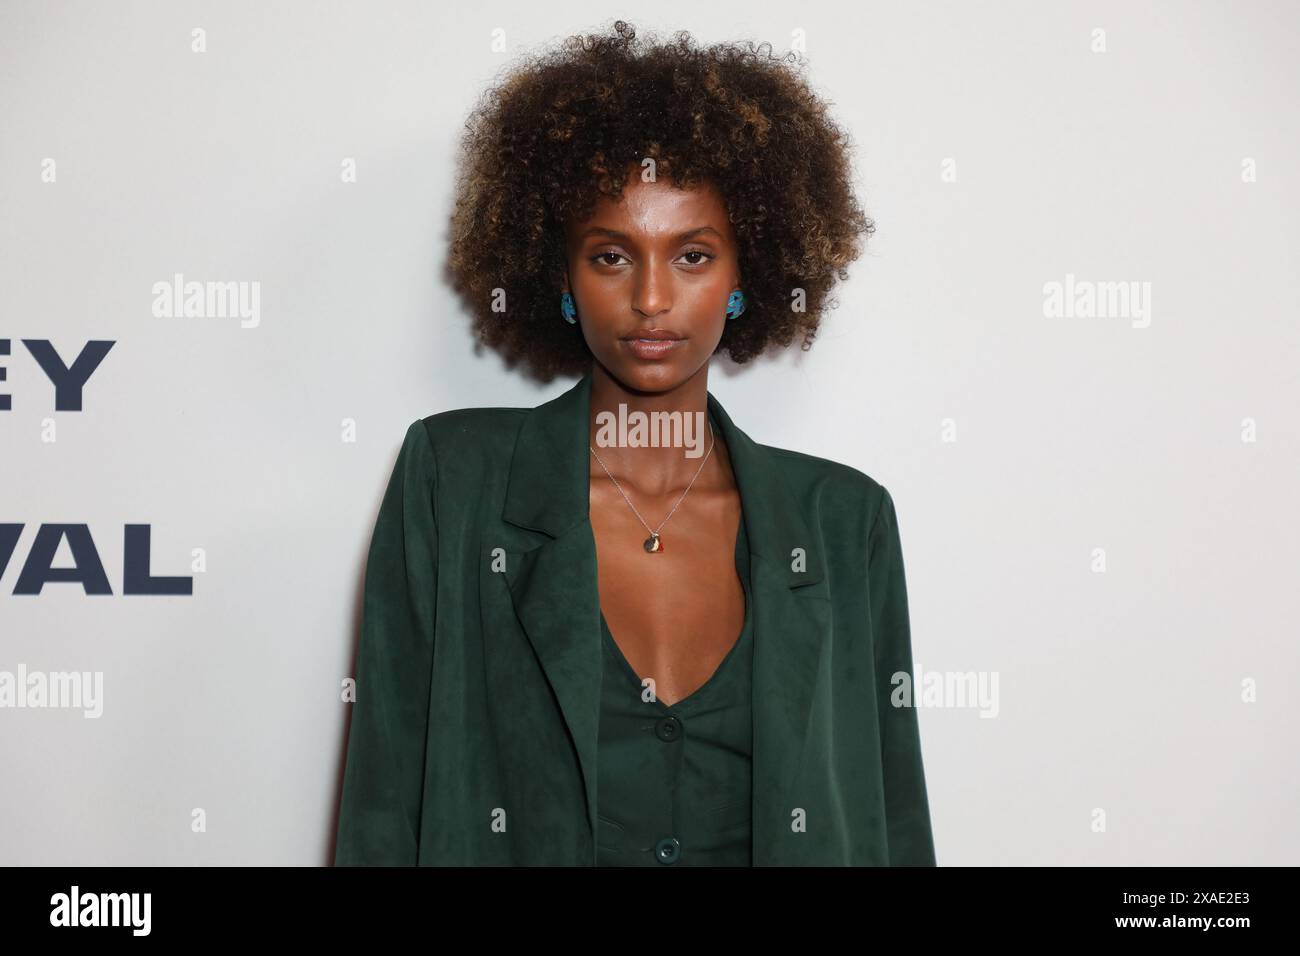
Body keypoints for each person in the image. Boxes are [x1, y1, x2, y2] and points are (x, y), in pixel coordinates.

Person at [334, 19, 936, 866]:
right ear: (563, 280)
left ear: (742, 281)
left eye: (692, 256)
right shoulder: (453, 483)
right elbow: (383, 811)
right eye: (612, 256)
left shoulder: (843, 523)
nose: (652, 298)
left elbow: (889, 823)